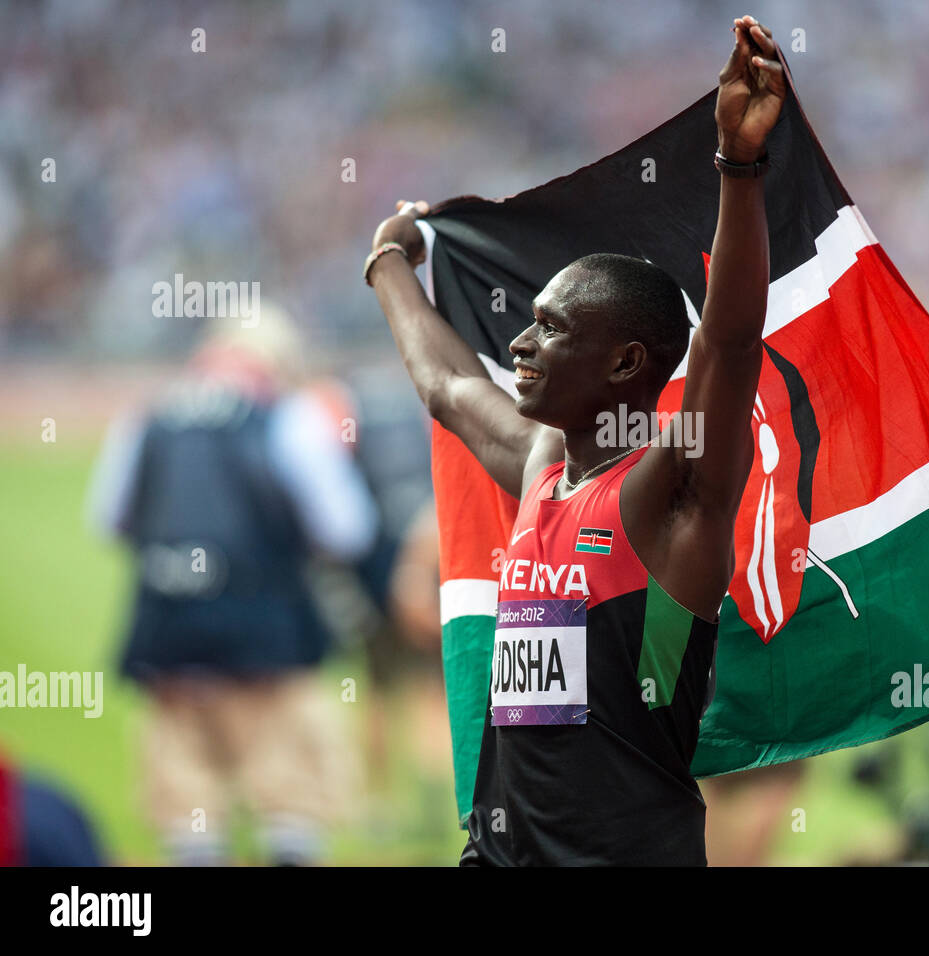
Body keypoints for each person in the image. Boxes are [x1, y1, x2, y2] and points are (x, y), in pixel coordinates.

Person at [367, 14, 785, 866]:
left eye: (549, 329)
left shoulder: (670, 494)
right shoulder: (541, 469)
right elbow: (449, 388)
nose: (518, 345)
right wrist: (388, 262)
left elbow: (731, 343)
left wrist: (737, 167)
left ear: (627, 361)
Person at [88, 307, 377, 865]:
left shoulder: (149, 417)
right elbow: (346, 530)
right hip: (269, 642)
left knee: (186, 801)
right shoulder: (288, 417)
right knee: (290, 799)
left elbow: (108, 520)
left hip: (169, 640)